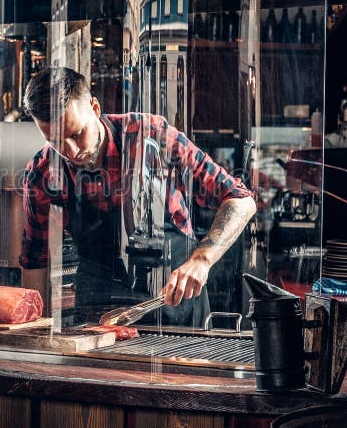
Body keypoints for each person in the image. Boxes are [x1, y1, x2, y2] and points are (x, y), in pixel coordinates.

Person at [19, 67, 256, 326]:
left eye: (77, 134)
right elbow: (35, 263)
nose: (71, 151)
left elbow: (241, 200)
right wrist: (34, 332)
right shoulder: (42, 172)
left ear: (94, 108)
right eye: (55, 141)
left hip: (174, 301)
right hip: (97, 316)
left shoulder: (151, 135)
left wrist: (202, 259)